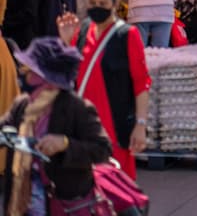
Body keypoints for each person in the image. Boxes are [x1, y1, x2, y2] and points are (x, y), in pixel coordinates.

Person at [1, 36, 113, 216]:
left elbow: (102, 149)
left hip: (63, 202)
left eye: (30, 71)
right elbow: (4, 127)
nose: (24, 74)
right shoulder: (22, 105)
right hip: (22, 200)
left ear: (47, 79)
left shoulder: (77, 108)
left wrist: (66, 144)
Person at [56, 0, 150, 179]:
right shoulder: (82, 31)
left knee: (116, 185)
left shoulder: (127, 35)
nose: (97, 8)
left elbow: (141, 83)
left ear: (114, 5)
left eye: (103, 4)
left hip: (114, 124)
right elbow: (69, 72)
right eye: (92, 4)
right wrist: (65, 41)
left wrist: (140, 124)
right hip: (83, 124)